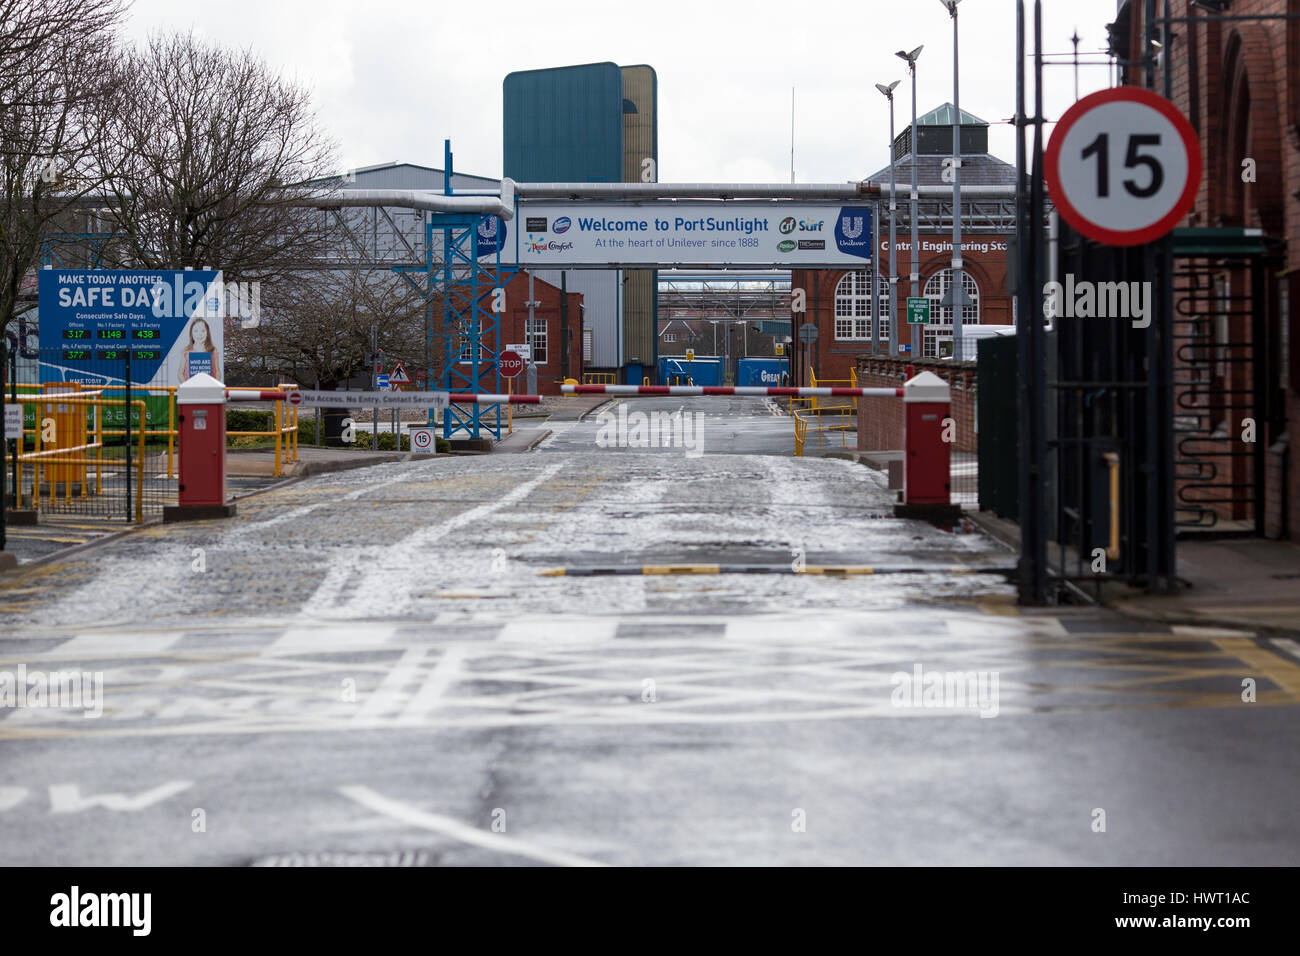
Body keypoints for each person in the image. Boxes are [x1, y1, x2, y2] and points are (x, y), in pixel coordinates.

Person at [177, 317, 221, 383]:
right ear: (191, 333)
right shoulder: (186, 351)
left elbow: (217, 371)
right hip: (191, 390)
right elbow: (180, 373)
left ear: (207, 333)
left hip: (209, 389)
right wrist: (187, 386)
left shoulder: (213, 351)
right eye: (196, 331)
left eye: (203, 331)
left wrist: (215, 385)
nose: (199, 334)